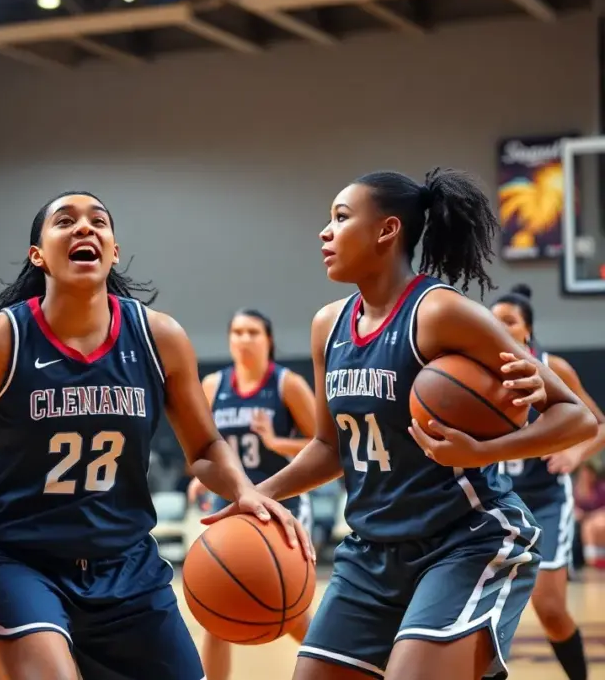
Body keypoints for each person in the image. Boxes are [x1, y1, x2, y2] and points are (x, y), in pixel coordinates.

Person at [0, 191, 313, 680]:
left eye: (98, 220)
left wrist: (246, 491)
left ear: (113, 251)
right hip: (17, 560)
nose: (84, 226)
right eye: (64, 220)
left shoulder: (160, 338)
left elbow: (203, 449)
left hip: (126, 563)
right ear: (38, 255)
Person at [207, 169, 598, 680]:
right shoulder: (329, 325)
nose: (325, 232)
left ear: (387, 231)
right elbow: (330, 447)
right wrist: (261, 493)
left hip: (465, 538)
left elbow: (578, 417)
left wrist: (484, 451)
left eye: (341, 218)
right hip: (371, 549)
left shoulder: (440, 313)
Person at [187, 308, 317, 679]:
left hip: (283, 501)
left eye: (253, 332)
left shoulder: (287, 384)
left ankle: (338, 663)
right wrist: (201, 477)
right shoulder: (213, 385)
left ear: (268, 340)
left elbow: (321, 444)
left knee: (285, 605)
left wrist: (276, 442)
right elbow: (203, 445)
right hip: (230, 503)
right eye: (238, 332)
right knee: (215, 603)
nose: (244, 338)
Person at [490, 284, 605, 680]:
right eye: (493, 321)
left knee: (551, 611)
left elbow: (598, 425)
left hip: (545, 499)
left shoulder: (554, 368)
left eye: (509, 321)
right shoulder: (474, 371)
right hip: (497, 502)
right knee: (482, 610)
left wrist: (574, 454)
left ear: (528, 330)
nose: (499, 327)